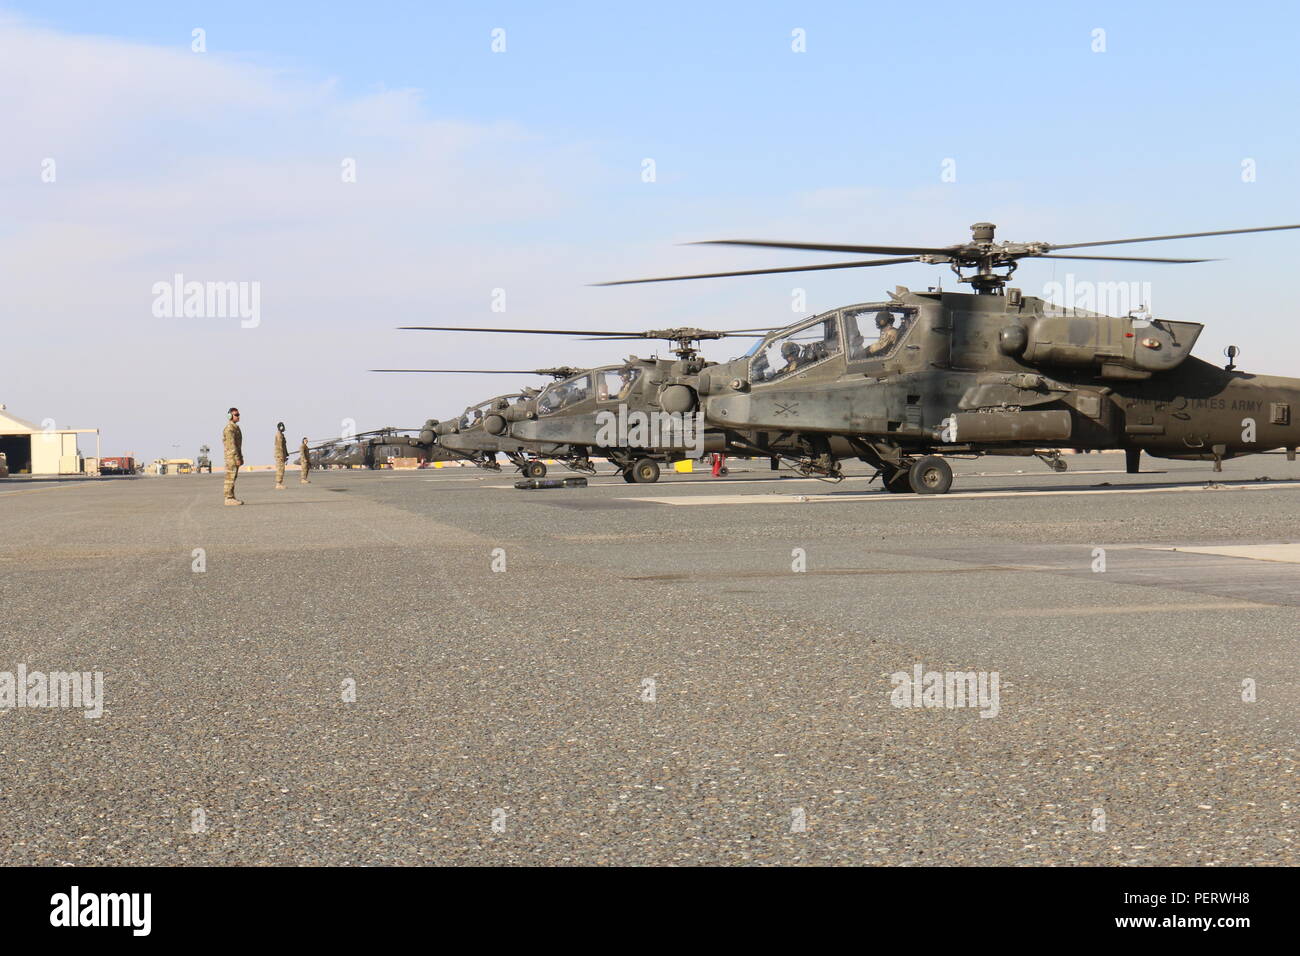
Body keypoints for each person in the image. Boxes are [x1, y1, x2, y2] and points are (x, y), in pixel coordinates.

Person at [223, 408, 244, 505]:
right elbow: (231, 445)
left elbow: (238, 445)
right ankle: (228, 498)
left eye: (238, 414)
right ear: (230, 416)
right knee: (230, 477)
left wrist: (241, 457)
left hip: (234, 456)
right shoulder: (229, 429)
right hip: (231, 457)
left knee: (233, 477)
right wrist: (236, 458)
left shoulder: (235, 427)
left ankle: (231, 496)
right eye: (236, 415)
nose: (238, 416)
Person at [273, 422, 288, 490]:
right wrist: (282, 455)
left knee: (282, 469)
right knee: (280, 469)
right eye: (283, 426)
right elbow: (279, 446)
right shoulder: (279, 435)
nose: (284, 428)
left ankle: (279, 483)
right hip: (280, 455)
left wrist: (286, 454)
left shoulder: (281, 434)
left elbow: (284, 446)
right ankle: (278, 484)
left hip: (281, 454)